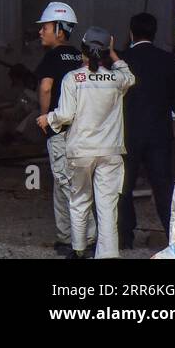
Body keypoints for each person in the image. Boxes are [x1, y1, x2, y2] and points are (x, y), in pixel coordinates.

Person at [37, 28, 136, 259]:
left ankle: (79, 249)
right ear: (104, 53)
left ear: (82, 51)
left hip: (80, 150)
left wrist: (47, 118)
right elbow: (129, 75)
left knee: (79, 200)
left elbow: (65, 115)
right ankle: (108, 254)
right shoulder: (116, 79)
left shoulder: (73, 79)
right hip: (110, 152)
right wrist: (113, 54)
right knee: (107, 206)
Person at [33, 1, 94, 255]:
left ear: (59, 29)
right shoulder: (81, 57)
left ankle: (85, 241)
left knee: (68, 186)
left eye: (44, 27)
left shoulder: (51, 57)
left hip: (59, 129)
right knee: (67, 184)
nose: (40, 31)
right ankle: (65, 237)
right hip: (80, 128)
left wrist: (45, 117)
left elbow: (46, 87)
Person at [118, 12, 175, 250]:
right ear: (154, 33)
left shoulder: (122, 59)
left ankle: (125, 237)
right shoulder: (169, 60)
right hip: (159, 133)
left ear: (131, 33)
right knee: (163, 186)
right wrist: (171, 121)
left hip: (128, 133)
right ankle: (174, 236)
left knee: (123, 186)